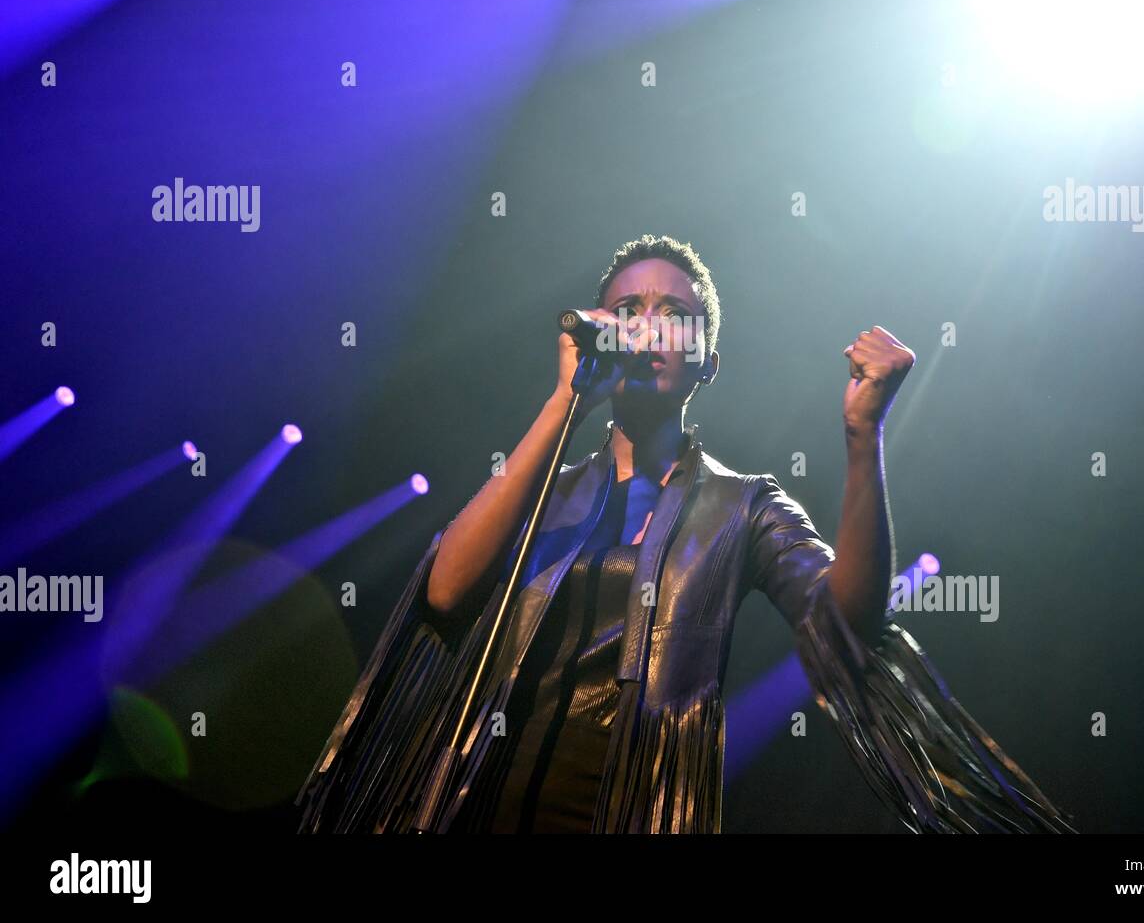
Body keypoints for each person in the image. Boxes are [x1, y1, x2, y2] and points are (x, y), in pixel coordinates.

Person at [296, 234, 1076, 834]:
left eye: (675, 315)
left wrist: (862, 436)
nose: (647, 328)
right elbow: (444, 592)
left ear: (706, 361)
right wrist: (565, 400)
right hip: (482, 802)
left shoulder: (744, 505)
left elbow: (851, 620)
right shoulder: (547, 491)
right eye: (626, 311)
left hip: (631, 806)